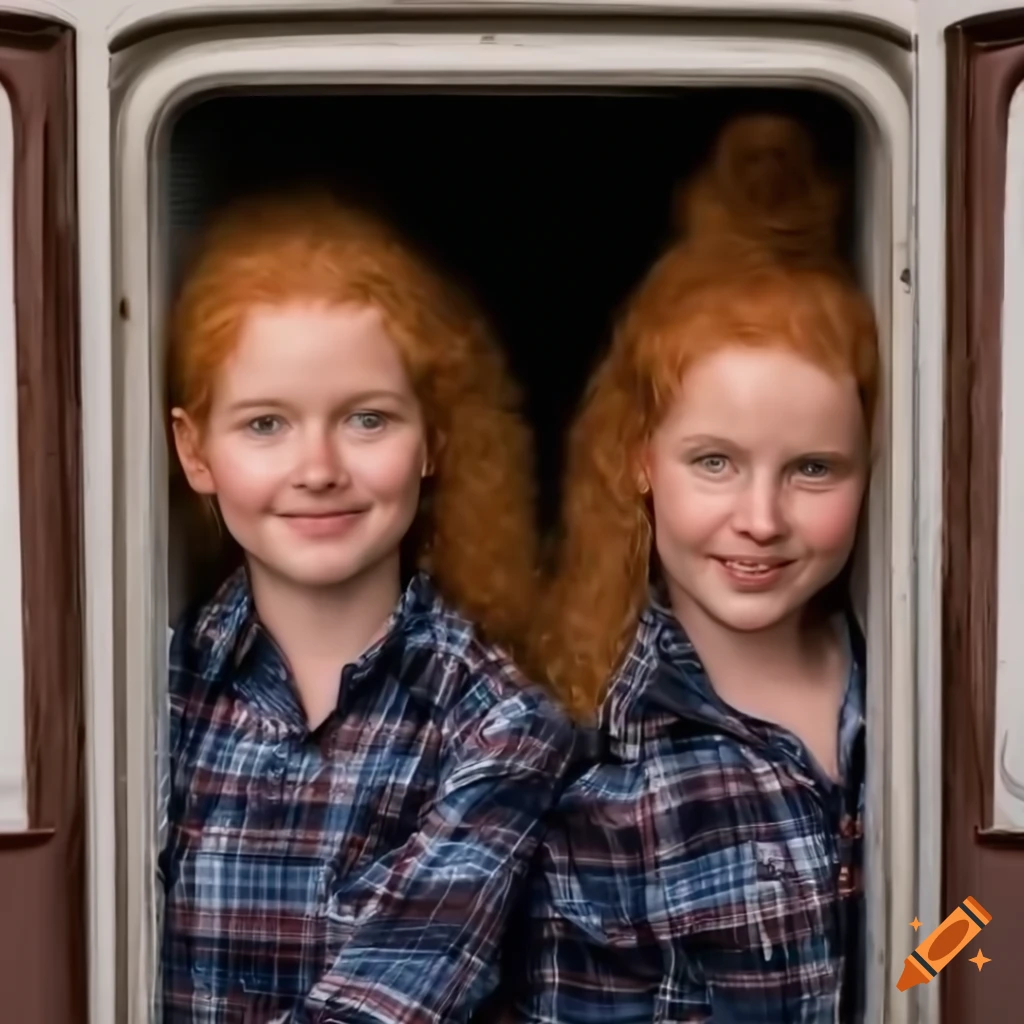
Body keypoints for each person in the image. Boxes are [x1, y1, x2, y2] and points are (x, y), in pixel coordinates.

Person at [158, 192, 574, 1024]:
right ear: (195, 451)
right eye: (266, 424)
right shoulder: (156, 692)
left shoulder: (500, 725)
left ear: (433, 440)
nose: (318, 469)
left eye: (367, 419)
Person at [511, 114, 877, 1022]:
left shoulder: (913, 698)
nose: (761, 519)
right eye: (714, 462)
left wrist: (924, 974)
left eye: (813, 469)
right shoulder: (590, 758)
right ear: (640, 459)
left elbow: (954, 935)